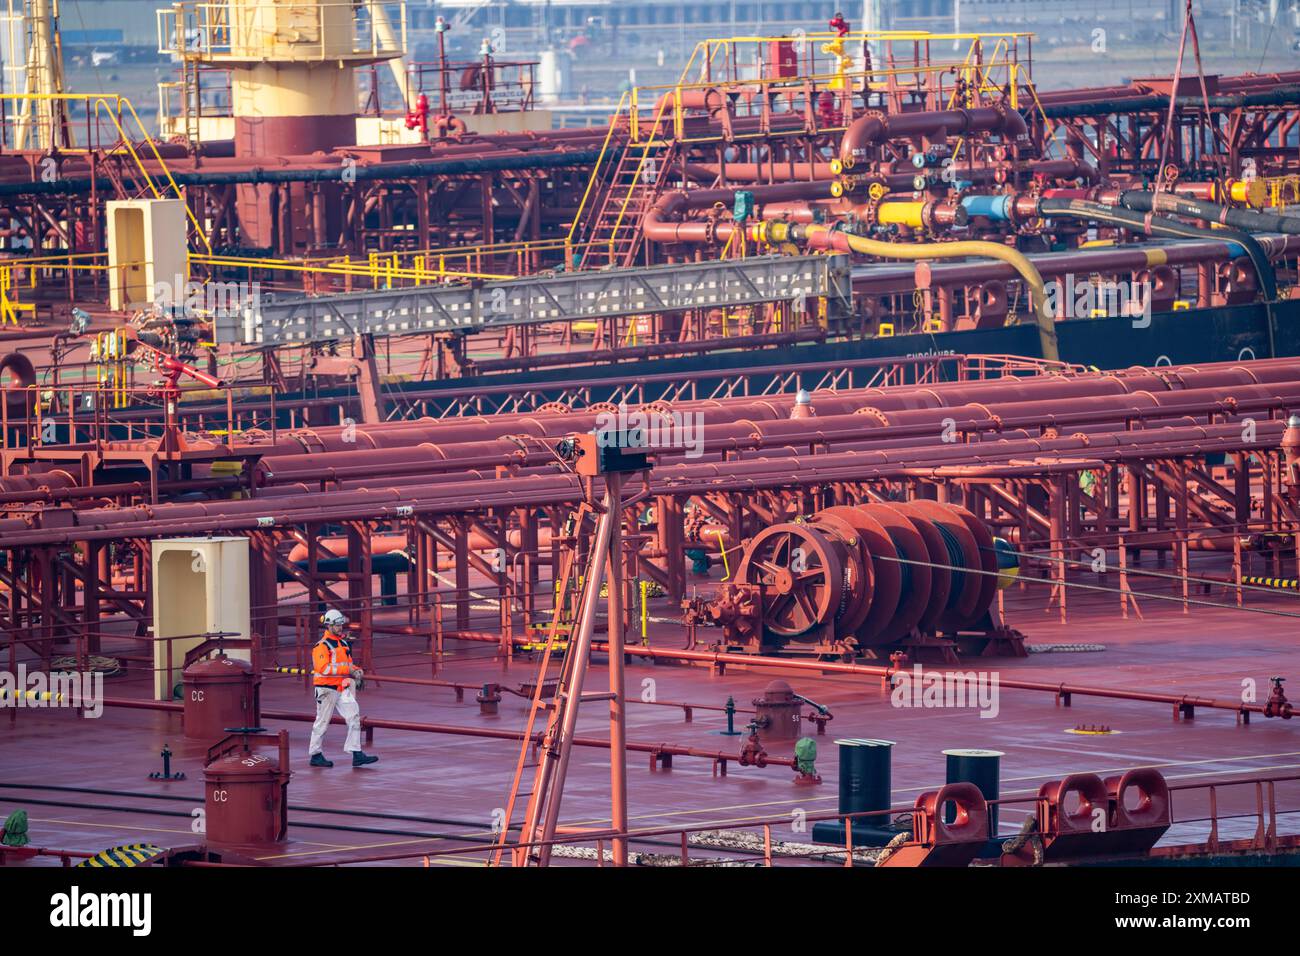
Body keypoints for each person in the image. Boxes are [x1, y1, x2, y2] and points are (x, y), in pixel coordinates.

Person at [308, 609, 379, 768]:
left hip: (341, 688)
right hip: (326, 689)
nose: (340, 627)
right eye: (337, 625)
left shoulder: (343, 643)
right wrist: (347, 670)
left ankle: (356, 753)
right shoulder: (321, 646)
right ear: (329, 626)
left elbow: (348, 663)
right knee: (322, 722)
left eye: (341, 624)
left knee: (354, 717)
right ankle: (315, 755)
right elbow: (323, 668)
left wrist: (356, 670)